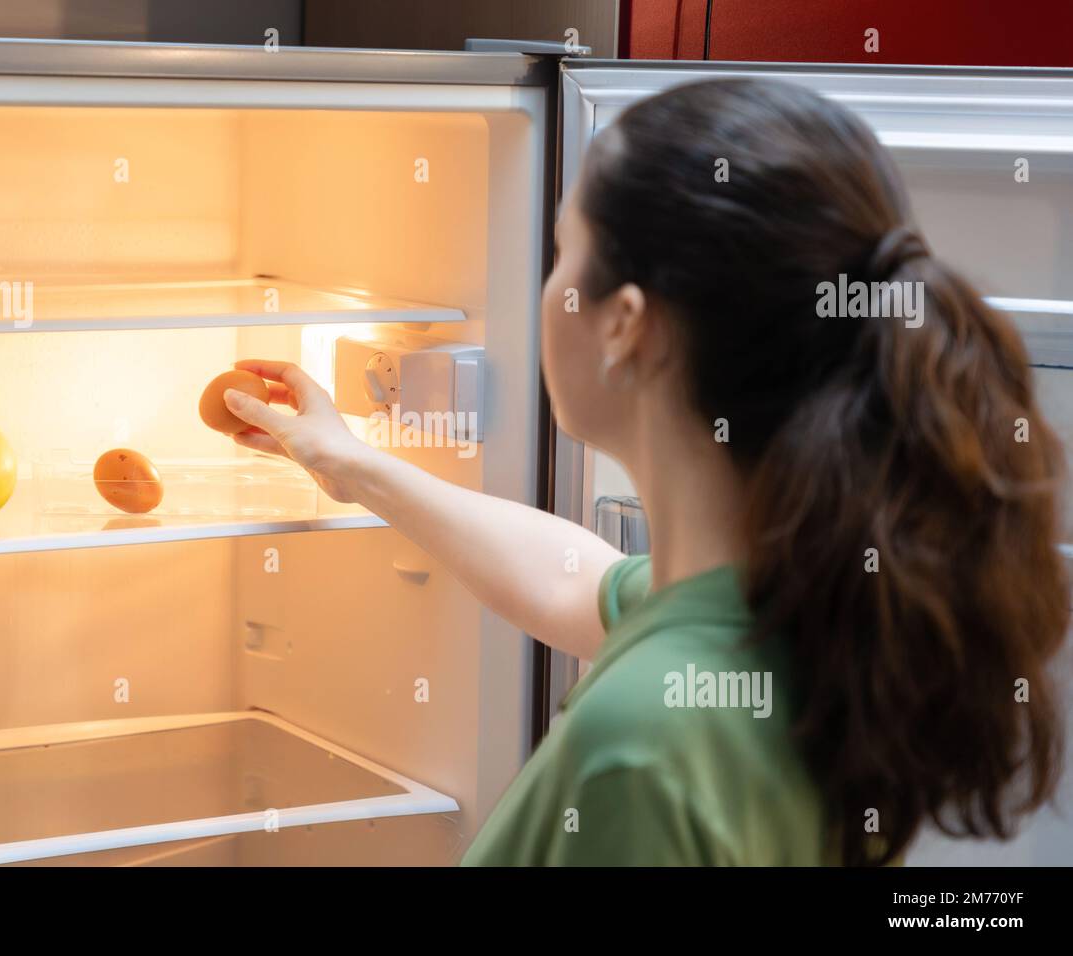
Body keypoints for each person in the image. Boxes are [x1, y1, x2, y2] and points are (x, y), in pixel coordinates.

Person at [220, 78, 1069, 866]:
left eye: (563, 253)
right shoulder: (796, 612)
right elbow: (572, 580)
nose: (548, 288)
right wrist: (351, 464)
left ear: (625, 324)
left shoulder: (642, 746)